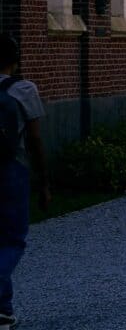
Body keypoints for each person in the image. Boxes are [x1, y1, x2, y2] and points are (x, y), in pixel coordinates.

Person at [0, 33, 49, 330]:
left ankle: (4, 309)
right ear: (15, 61)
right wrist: (44, 183)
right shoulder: (24, 89)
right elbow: (34, 140)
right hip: (10, 170)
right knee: (12, 238)